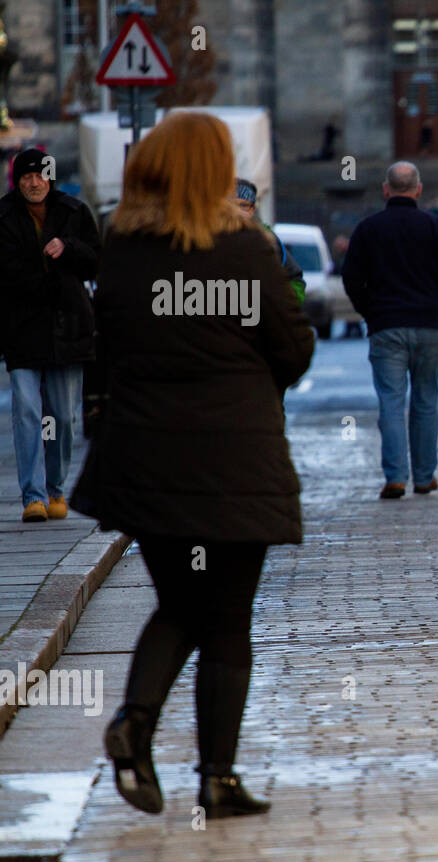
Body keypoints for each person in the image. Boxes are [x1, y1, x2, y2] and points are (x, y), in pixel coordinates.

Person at [70, 111, 315, 818]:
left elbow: (105, 352)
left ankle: (136, 723)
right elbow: (293, 352)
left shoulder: (122, 251)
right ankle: (216, 776)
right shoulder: (245, 249)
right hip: (234, 460)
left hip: (144, 459)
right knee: (228, 618)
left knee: (180, 602)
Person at [342, 162, 438, 499]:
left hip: (387, 325)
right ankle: (424, 476)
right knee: (426, 400)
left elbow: (351, 277)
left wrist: (370, 310)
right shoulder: (436, 227)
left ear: (386, 189)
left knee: (391, 402)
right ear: (418, 189)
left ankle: (396, 476)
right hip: (429, 324)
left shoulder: (368, 229)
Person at [0, 147, 101, 523]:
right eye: (27, 177)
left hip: (67, 328)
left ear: (50, 177)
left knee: (61, 415)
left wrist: (68, 247)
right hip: (22, 330)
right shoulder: (4, 216)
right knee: (27, 412)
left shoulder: (73, 212)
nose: (34, 183)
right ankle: (33, 496)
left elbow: (95, 259)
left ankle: (56, 489)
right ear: (17, 180)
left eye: (41, 175)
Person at [233, 177, 306, 307]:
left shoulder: (267, 239)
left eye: (244, 206)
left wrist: (284, 307)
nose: (238, 212)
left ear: (252, 209)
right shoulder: (206, 237)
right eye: (232, 205)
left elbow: (295, 279)